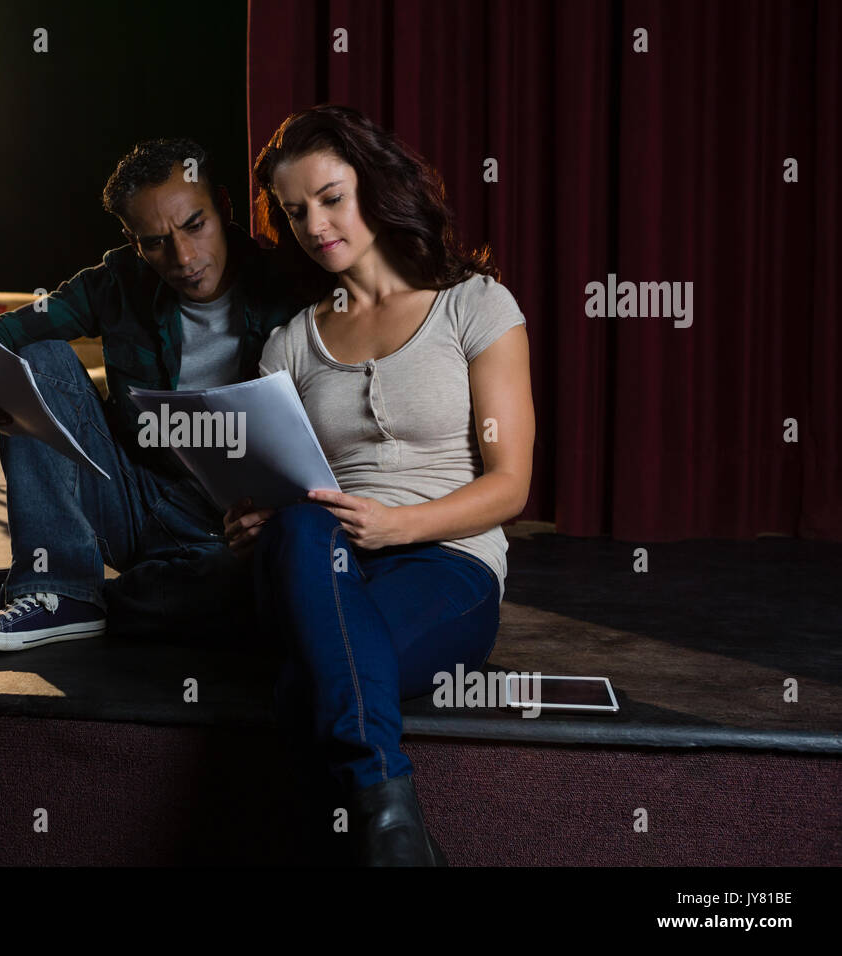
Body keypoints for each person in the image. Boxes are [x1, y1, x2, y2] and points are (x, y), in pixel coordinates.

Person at [226, 105, 534, 865]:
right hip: (317, 561)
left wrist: (397, 527)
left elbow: (511, 486)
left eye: (331, 197)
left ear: (376, 184)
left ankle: (390, 829)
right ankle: (392, 826)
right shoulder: (289, 342)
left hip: (445, 564)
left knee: (310, 690)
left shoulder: (475, 305)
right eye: (295, 212)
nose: (316, 223)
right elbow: (272, 481)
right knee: (300, 524)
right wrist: (247, 521)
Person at [0, 138, 307, 650]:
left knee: (248, 595)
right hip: (133, 497)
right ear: (132, 240)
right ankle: (60, 589)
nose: (182, 257)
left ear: (225, 208)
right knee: (38, 359)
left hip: (228, 529)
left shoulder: (286, 289)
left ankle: (49, 588)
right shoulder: (120, 280)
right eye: (155, 241)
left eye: (194, 225)